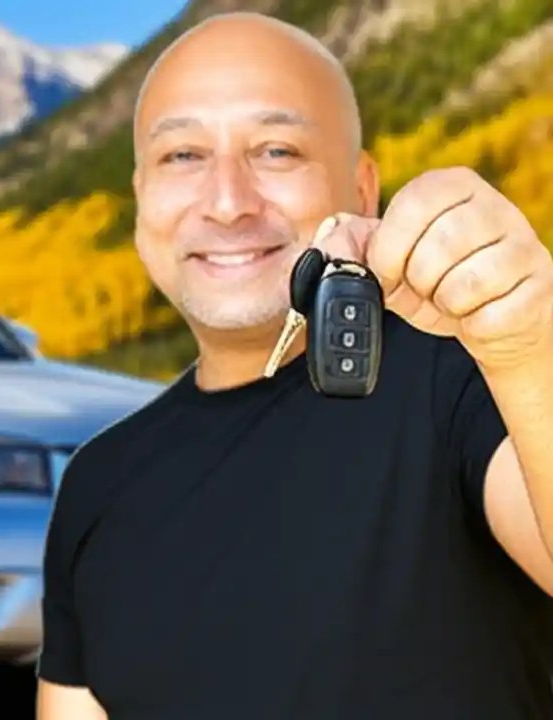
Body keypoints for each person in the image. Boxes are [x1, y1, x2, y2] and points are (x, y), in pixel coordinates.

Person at [36, 11, 553, 720]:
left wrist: (528, 343)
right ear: (140, 199)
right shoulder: (96, 483)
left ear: (363, 188)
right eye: (182, 156)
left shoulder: (471, 378)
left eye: (277, 150)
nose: (226, 203)